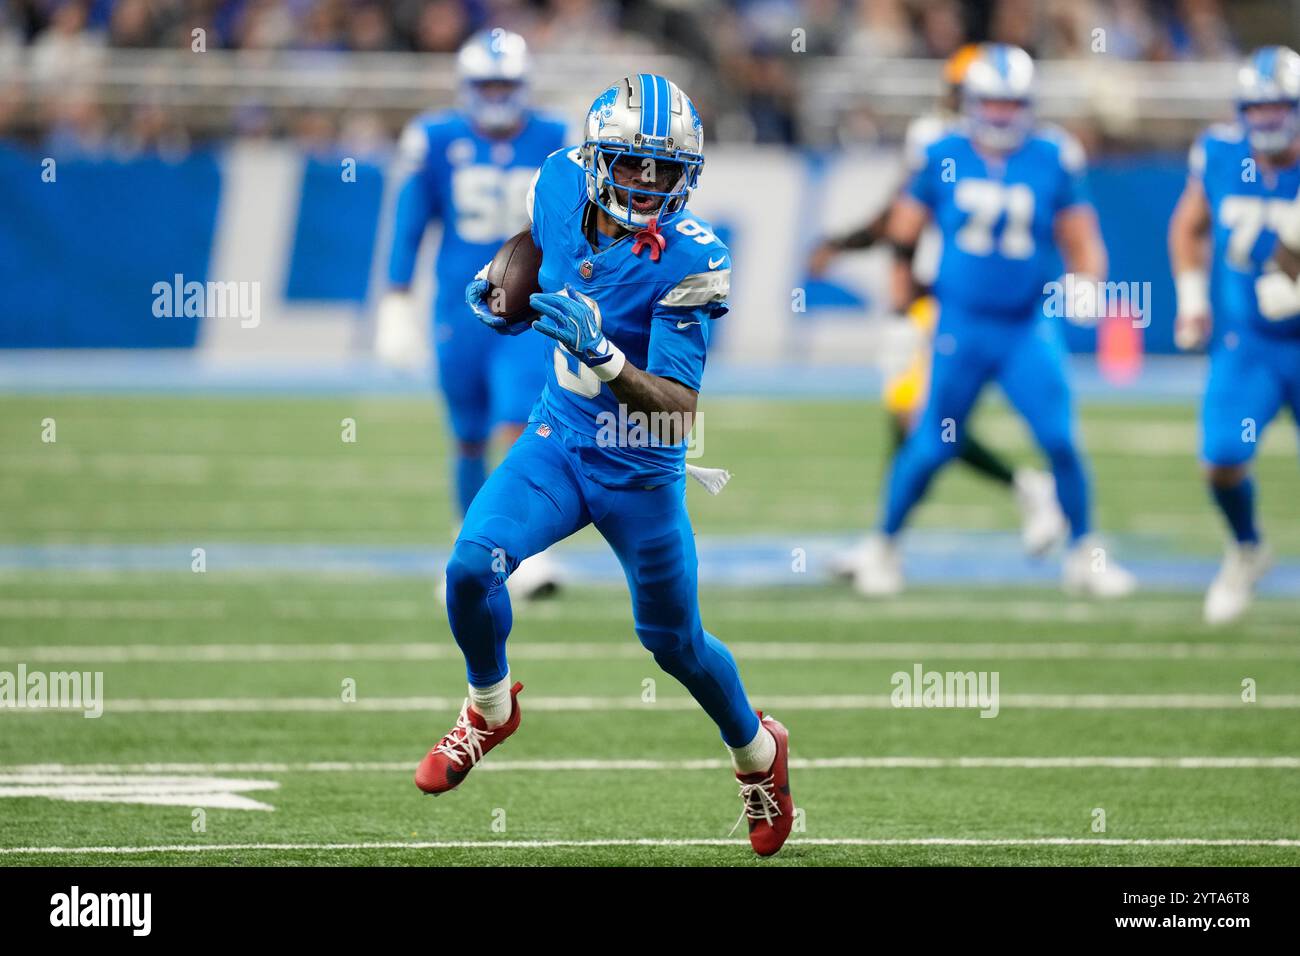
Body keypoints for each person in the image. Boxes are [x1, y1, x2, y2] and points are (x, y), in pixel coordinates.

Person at [413, 74, 795, 857]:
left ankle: (758, 754)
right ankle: (489, 709)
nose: (649, 185)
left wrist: (607, 355)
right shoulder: (557, 181)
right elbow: (537, 243)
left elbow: (680, 409)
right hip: (558, 441)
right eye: (631, 166)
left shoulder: (692, 258)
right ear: (595, 161)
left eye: (664, 170)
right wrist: (500, 280)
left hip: (642, 474)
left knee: (674, 643)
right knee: (466, 568)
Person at [854, 43, 1136, 598]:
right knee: (932, 441)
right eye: (992, 103)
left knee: (1059, 437)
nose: (1002, 115)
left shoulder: (1054, 154)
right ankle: (883, 546)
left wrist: (1087, 282)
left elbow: (1084, 239)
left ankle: (1084, 552)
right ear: (971, 102)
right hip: (960, 323)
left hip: (1025, 325)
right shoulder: (942, 151)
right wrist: (899, 314)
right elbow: (904, 237)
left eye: (1012, 103)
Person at [377, 29, 566, 598]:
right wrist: (395, 296)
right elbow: (410, 223)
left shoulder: (557, 136)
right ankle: (469, 544)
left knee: (520, 421)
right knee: (465, 435)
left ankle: (517, 549)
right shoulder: (435, 137)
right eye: (487, 84)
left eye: (506, 83)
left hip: (530, 308)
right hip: (459, 312)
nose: (497, 94)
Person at [1171, 46, 1300, 623]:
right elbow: (1189, 226)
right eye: (1258, 109)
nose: (1267, 122)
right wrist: (1193, 300)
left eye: (1279, 109)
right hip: (1248, 342)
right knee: (1222, 458)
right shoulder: (1220, 153)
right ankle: (1247, 547)